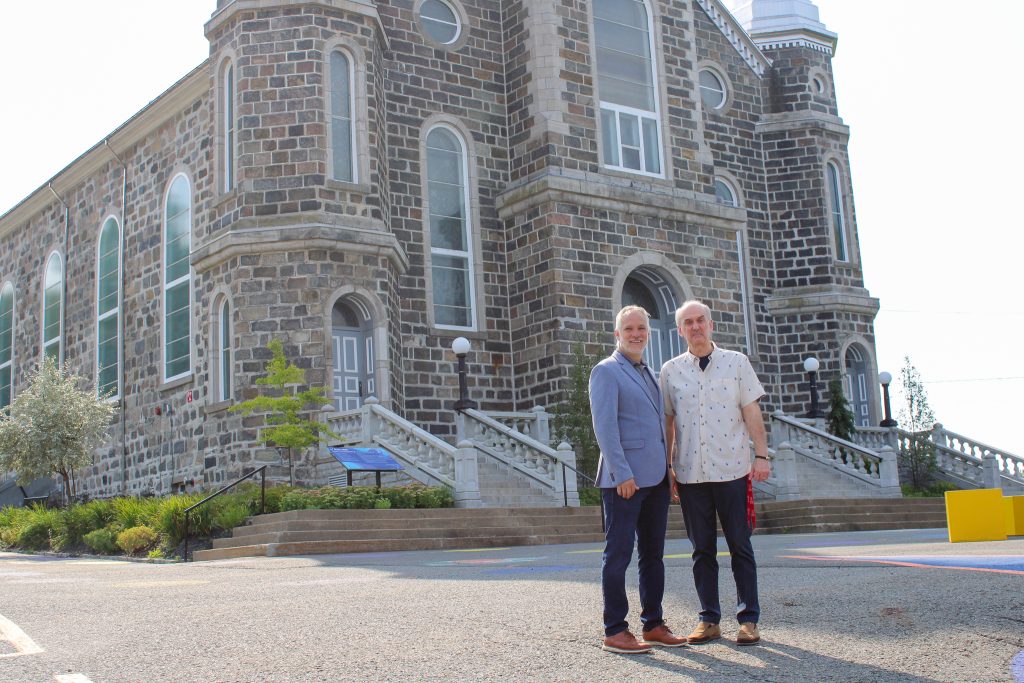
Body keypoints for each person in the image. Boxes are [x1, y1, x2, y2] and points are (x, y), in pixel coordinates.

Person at [659, 300, 771, 646]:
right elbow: (668, 421)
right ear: (680, 330)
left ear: (711, 325)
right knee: (701, 550)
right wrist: (668, 467)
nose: (695, 327)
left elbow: (751, 410)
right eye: (688, 323)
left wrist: (762, 455)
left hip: (733, 468)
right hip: (691, 473)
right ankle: (709, 619)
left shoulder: (736, 363)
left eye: (700, 321)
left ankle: (748, 619)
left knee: (741, 545)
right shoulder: (670, 371)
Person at [589, 305, 687, 654]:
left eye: (641, 328)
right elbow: (605, 428)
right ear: (617, 334)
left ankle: (653, 624)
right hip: (625, 481)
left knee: (653, 555)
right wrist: (621, 473)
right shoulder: (606, 371)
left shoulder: (650, 373)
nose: (636, 333)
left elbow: (660, 429)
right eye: (628, 328)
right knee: (618, 555)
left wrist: (669, 470)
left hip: (657, 479)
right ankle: (615, 630)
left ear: (648, 332)